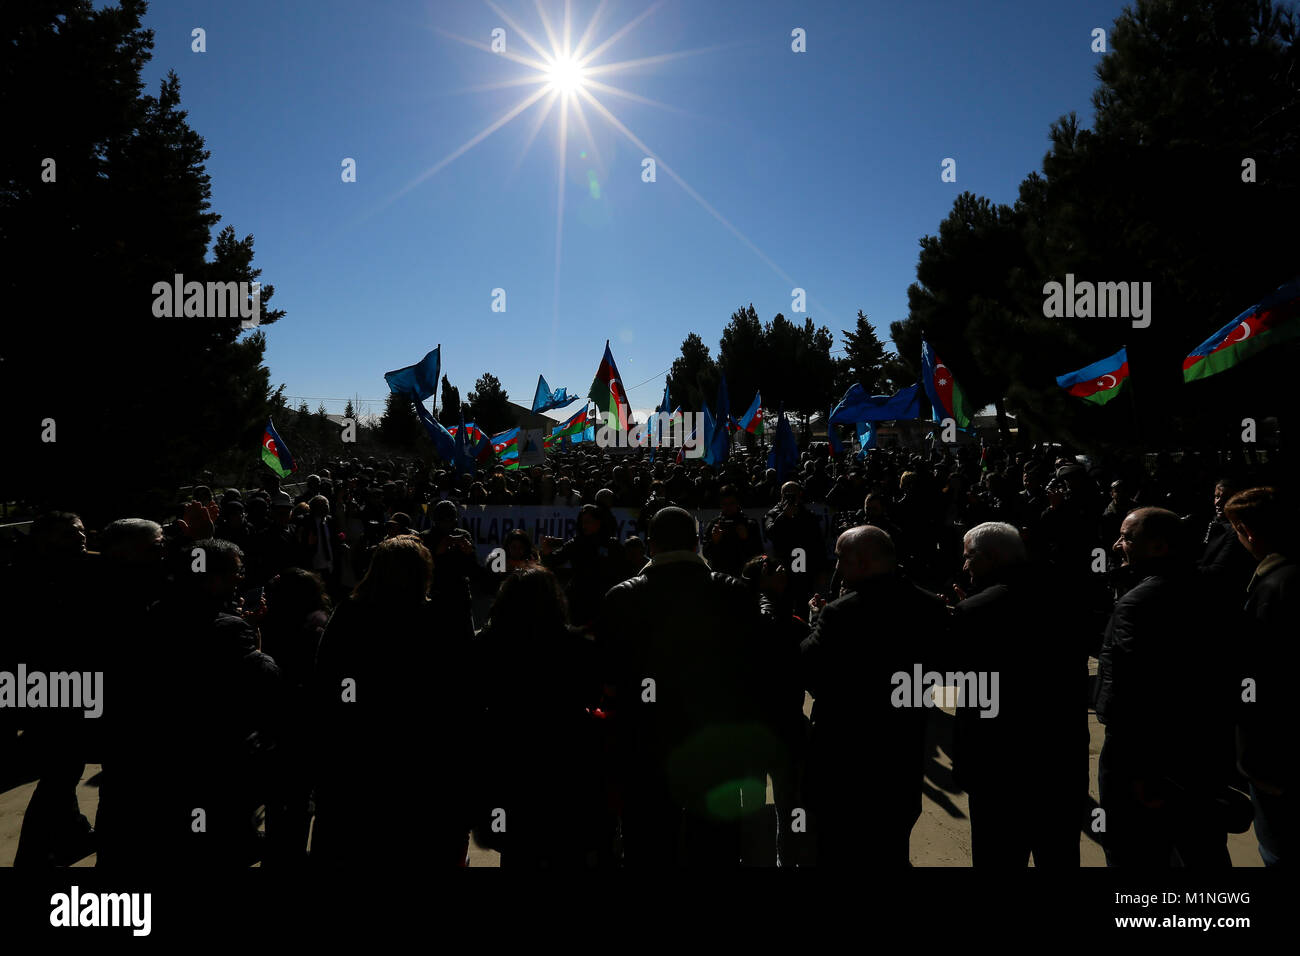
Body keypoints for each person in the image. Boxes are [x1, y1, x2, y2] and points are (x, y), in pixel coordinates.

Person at [596, 507, 783, 867]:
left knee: (648, 840)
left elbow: (607, 675)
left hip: (643, 743)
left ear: (650, 545)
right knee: (714, 843)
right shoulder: (732, 591)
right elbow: (757, 664)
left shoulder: (621, 597)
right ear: (696, 543)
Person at [96, 538, 281, 866]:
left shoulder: (155, 612)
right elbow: (263, 681)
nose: (240, 579)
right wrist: (254, 639)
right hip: (212, 759)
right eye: (236, 572)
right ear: (213, 578)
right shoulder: (229, 629)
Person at [310, 536, 475, 866]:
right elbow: (462, 688)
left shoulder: (350, 614)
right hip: (421, 764)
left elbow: (327, 681)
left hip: (359, 760)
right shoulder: (438, 618)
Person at [1095, 507, 1238, 867]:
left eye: (1127, 538)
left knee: (1132, 847)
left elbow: (1138, 690)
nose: (1117, 545)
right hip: (1202, 749)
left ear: (1158, 546)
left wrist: (1143, 768)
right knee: (1201, 846)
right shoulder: (1210, 589)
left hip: (1139, 756)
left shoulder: (1138, 604)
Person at [799, 526, 948, 867]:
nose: (837, 567)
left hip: (844, 763)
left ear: (862, 563)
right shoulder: (930, 606)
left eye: (841, 559)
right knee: (891, 850)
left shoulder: (840, 613)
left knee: (837, 850)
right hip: (901, 757)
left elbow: (808, 668)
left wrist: (816, 620)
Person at [949, 522, 1089, 867]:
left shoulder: (975, 612)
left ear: (992, 557)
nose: (965, 566)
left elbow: (972, 696)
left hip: (999, 769)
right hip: (1060, 763)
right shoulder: (1066, 599)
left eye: (969, 557)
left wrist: (963, 763)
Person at [473, 568, 605, 866]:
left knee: (517, 846)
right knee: (564, 845)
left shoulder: (487, 644)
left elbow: (475, 697)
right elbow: (593, 694)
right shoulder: (577, 645)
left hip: (509, 752)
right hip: (565, 754)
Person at [1224, 487, 1294, 866]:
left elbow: (1257, 682)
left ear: (1248, 532)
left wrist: (1253, 763)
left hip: (1277, 762)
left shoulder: (1273, 587)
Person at [702, 484, 763, 577]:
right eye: (724, 504)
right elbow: (706, 553)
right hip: (721, 575)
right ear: (720, 504)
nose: (728, 507)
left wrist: (746, 538)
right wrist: (714, 541)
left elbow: (759, 553)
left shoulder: (749, 524)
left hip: (743, 574)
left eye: (731, 503)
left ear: (738, 503)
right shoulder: (714, 525)